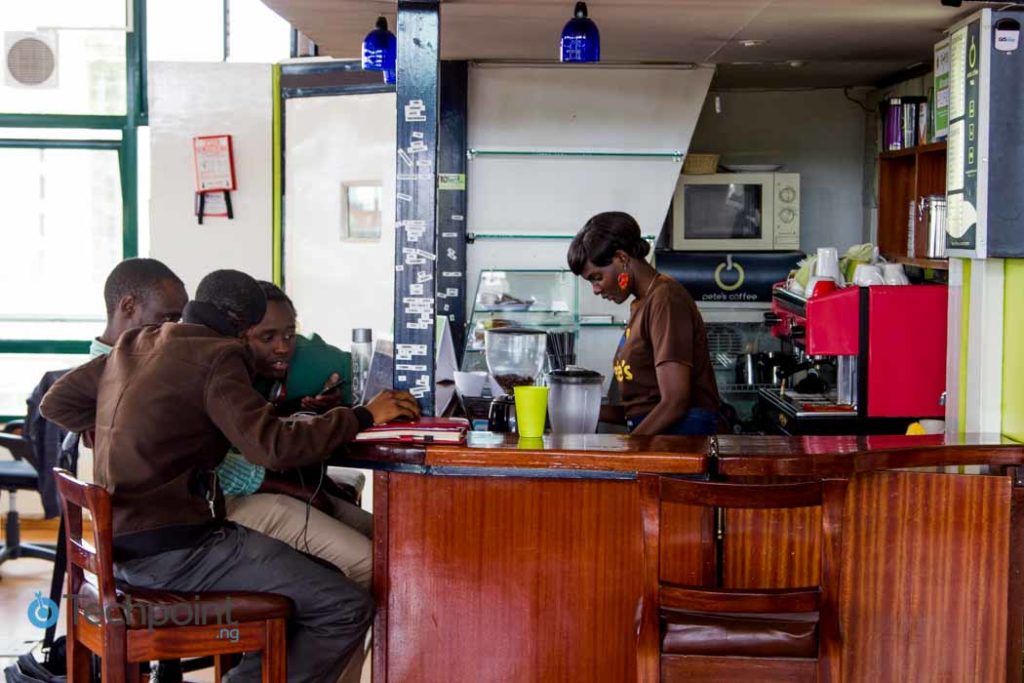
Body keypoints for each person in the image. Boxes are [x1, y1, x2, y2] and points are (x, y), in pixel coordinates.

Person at [41, 269, 420, 683]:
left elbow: (56, 402)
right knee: (343, 605)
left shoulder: (136, 342)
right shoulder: (221, 354)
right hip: (177, 551)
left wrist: (128, 432)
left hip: (123, 548)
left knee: (317, 581)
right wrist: (364, 415)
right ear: (245, 327)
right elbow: (273, 449)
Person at [217, 282, 374, 589]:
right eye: (268, 337)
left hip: (257, 489)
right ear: (239, 335)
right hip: (227, 502)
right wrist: (297, 490)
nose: (282, 346)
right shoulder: (215, 374)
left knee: (390, 540)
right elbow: (259, 454)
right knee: (368, 561)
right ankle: (359, 631)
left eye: (289, 335)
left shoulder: (281, 369)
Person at [567, 211, 720, 436]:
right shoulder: (643, 302)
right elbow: (642, 408)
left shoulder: (666, 299)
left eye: (597, 277)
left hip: (680, 444)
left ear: (622, 258)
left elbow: (675, 402)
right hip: (659, 441)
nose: (596, 289)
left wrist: (631, 451)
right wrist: (576, 411)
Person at [91, 257, 189, 357]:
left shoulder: (166, 361)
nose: (175, 330)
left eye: (179, 320)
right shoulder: (92, 372)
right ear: (129, 306)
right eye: (167, 318)